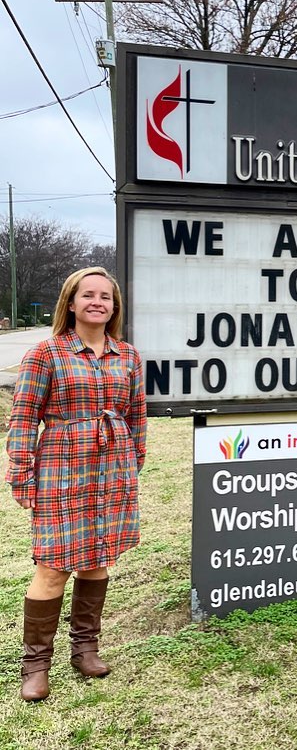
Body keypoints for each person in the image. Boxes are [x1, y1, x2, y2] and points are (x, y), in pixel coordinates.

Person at [6, 267, 146, 702]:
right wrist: (21, 473)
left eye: (106, 296)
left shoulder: (128, 356)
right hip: (61, 468)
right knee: (52, 567)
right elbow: (24, 418)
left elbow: (136, 415)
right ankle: (35, 665)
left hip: (112, 468)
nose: (97, 302)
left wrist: (134, 461)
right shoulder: (46, 353)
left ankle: (86, 649)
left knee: (98, 558)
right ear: (70, 303)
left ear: (114, 307)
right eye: (88, 295)